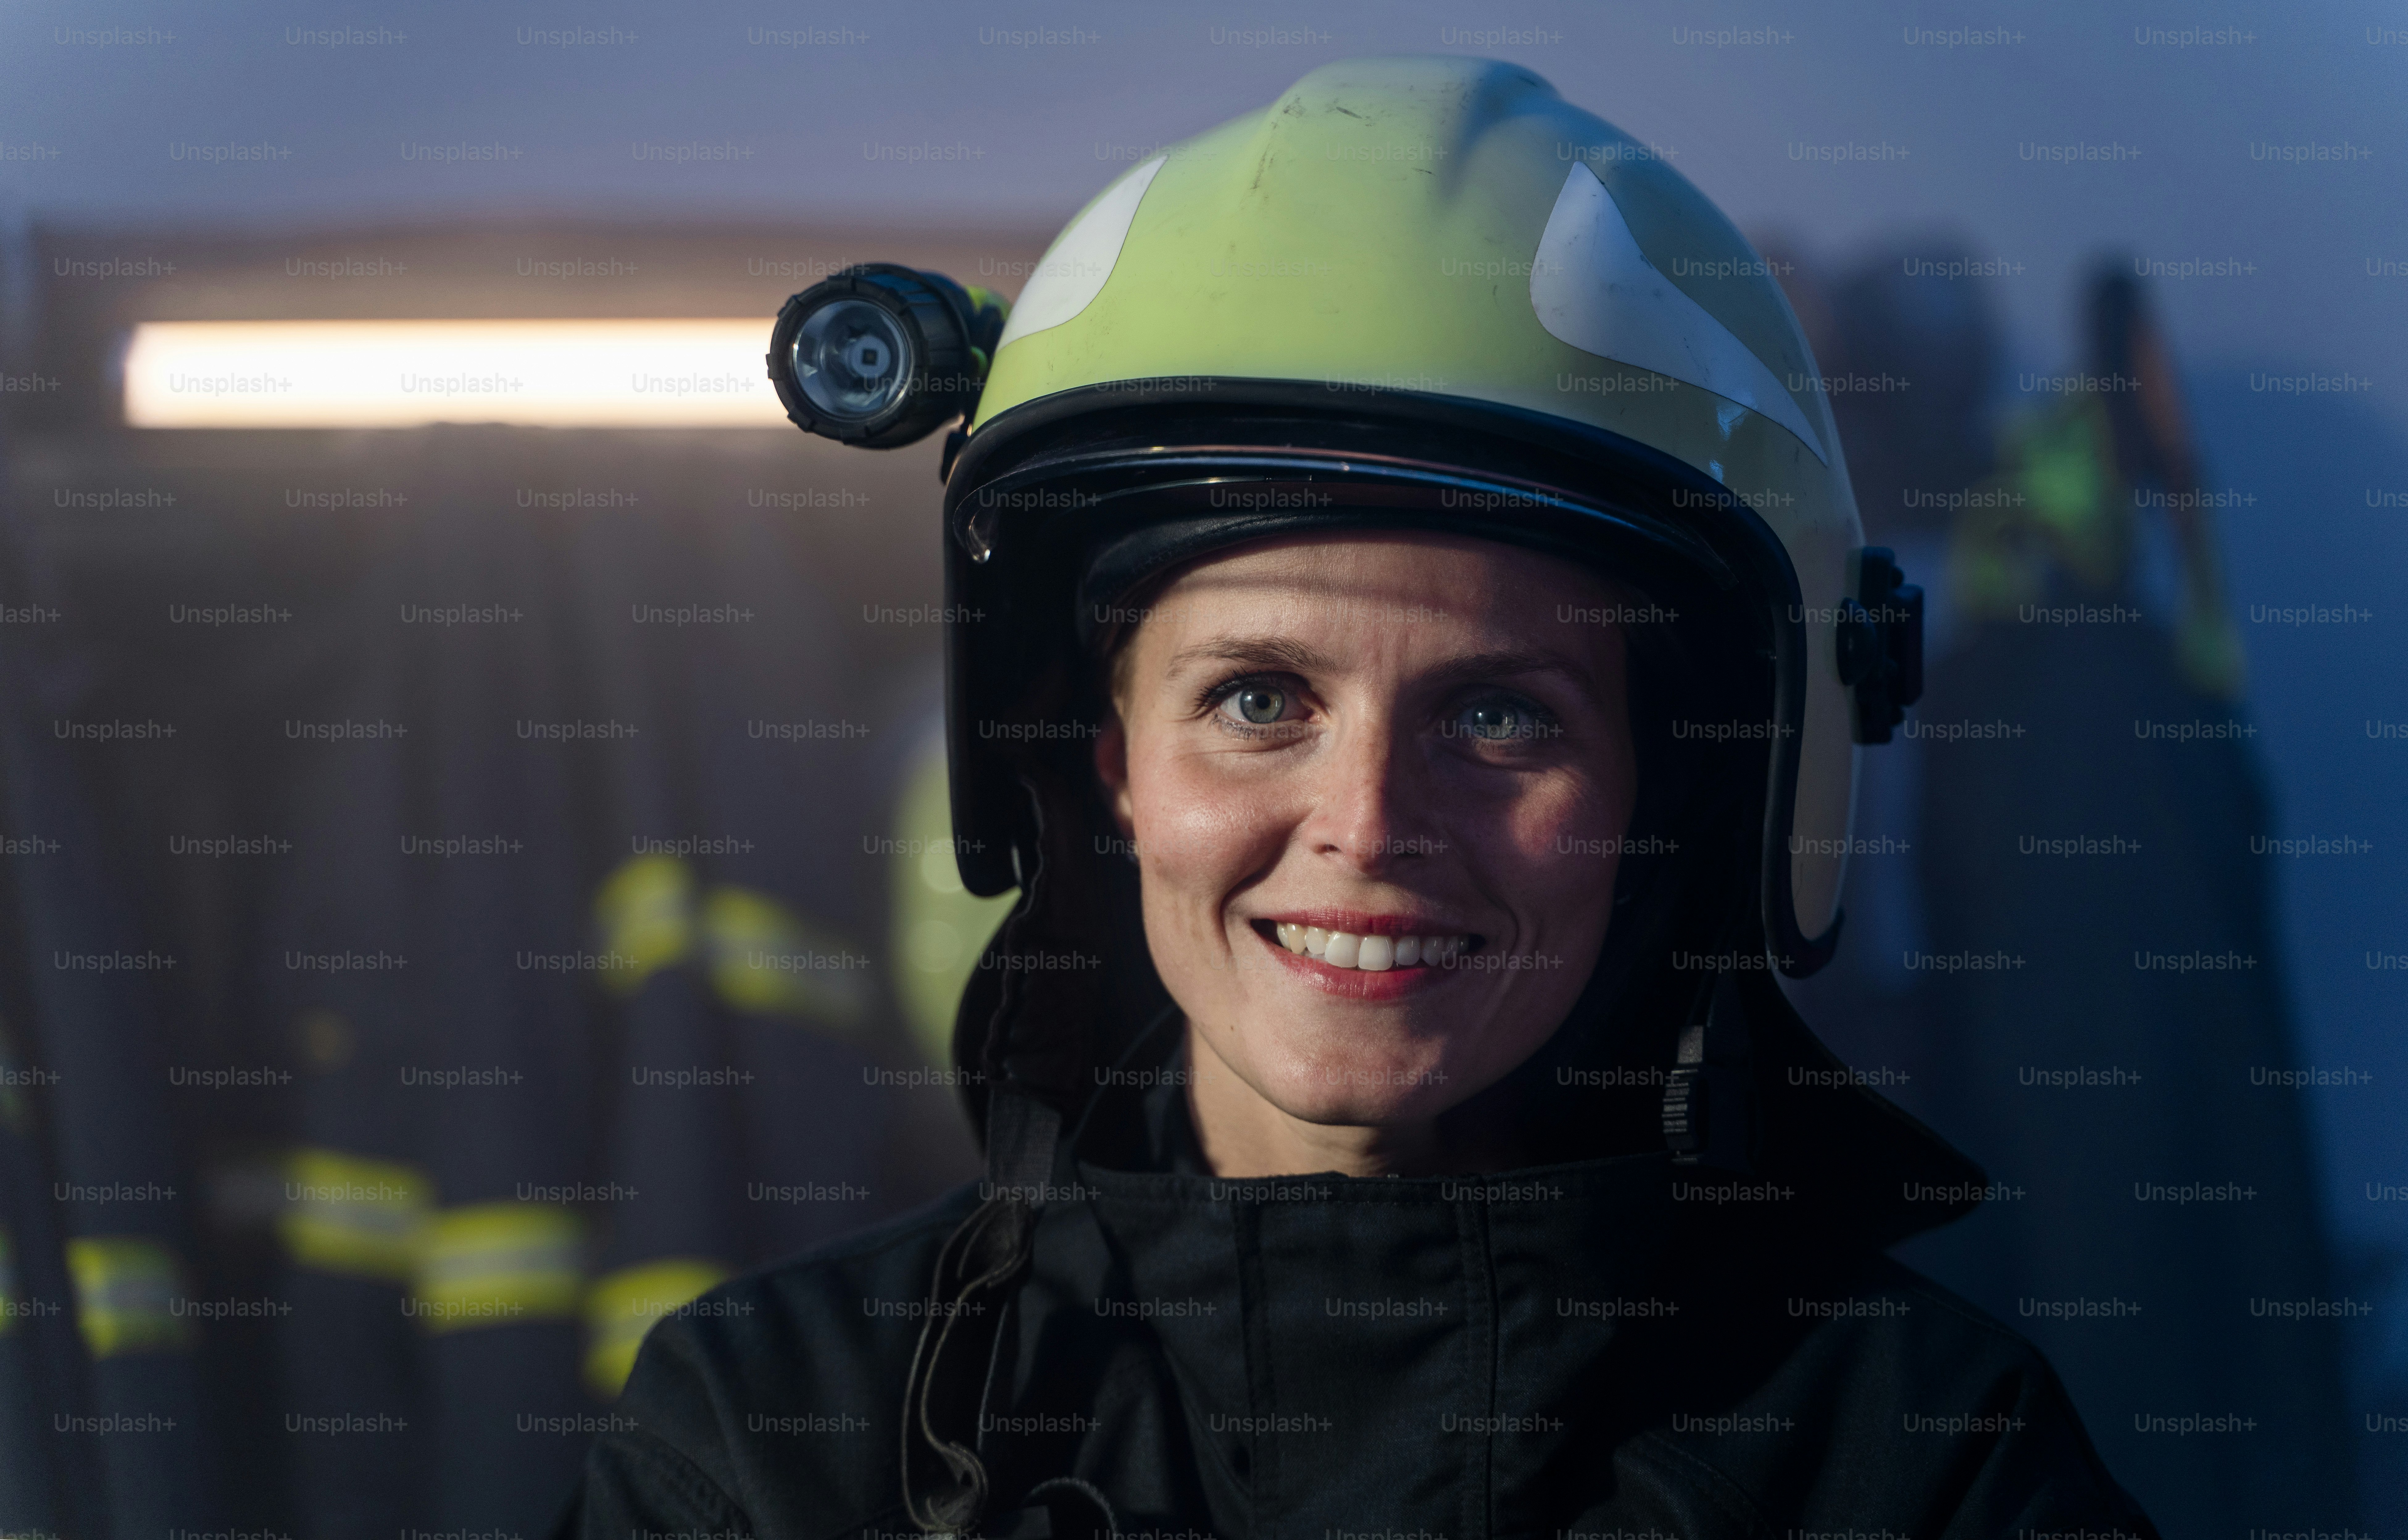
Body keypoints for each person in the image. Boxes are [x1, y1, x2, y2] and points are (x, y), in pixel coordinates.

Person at [559, 56, 2157, 1536]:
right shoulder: (773, 1446)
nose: (1371, 825)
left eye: (1498, 716)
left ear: (1673, 801)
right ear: (1106, 767)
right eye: (1258, 701)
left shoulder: (1929, 1474)